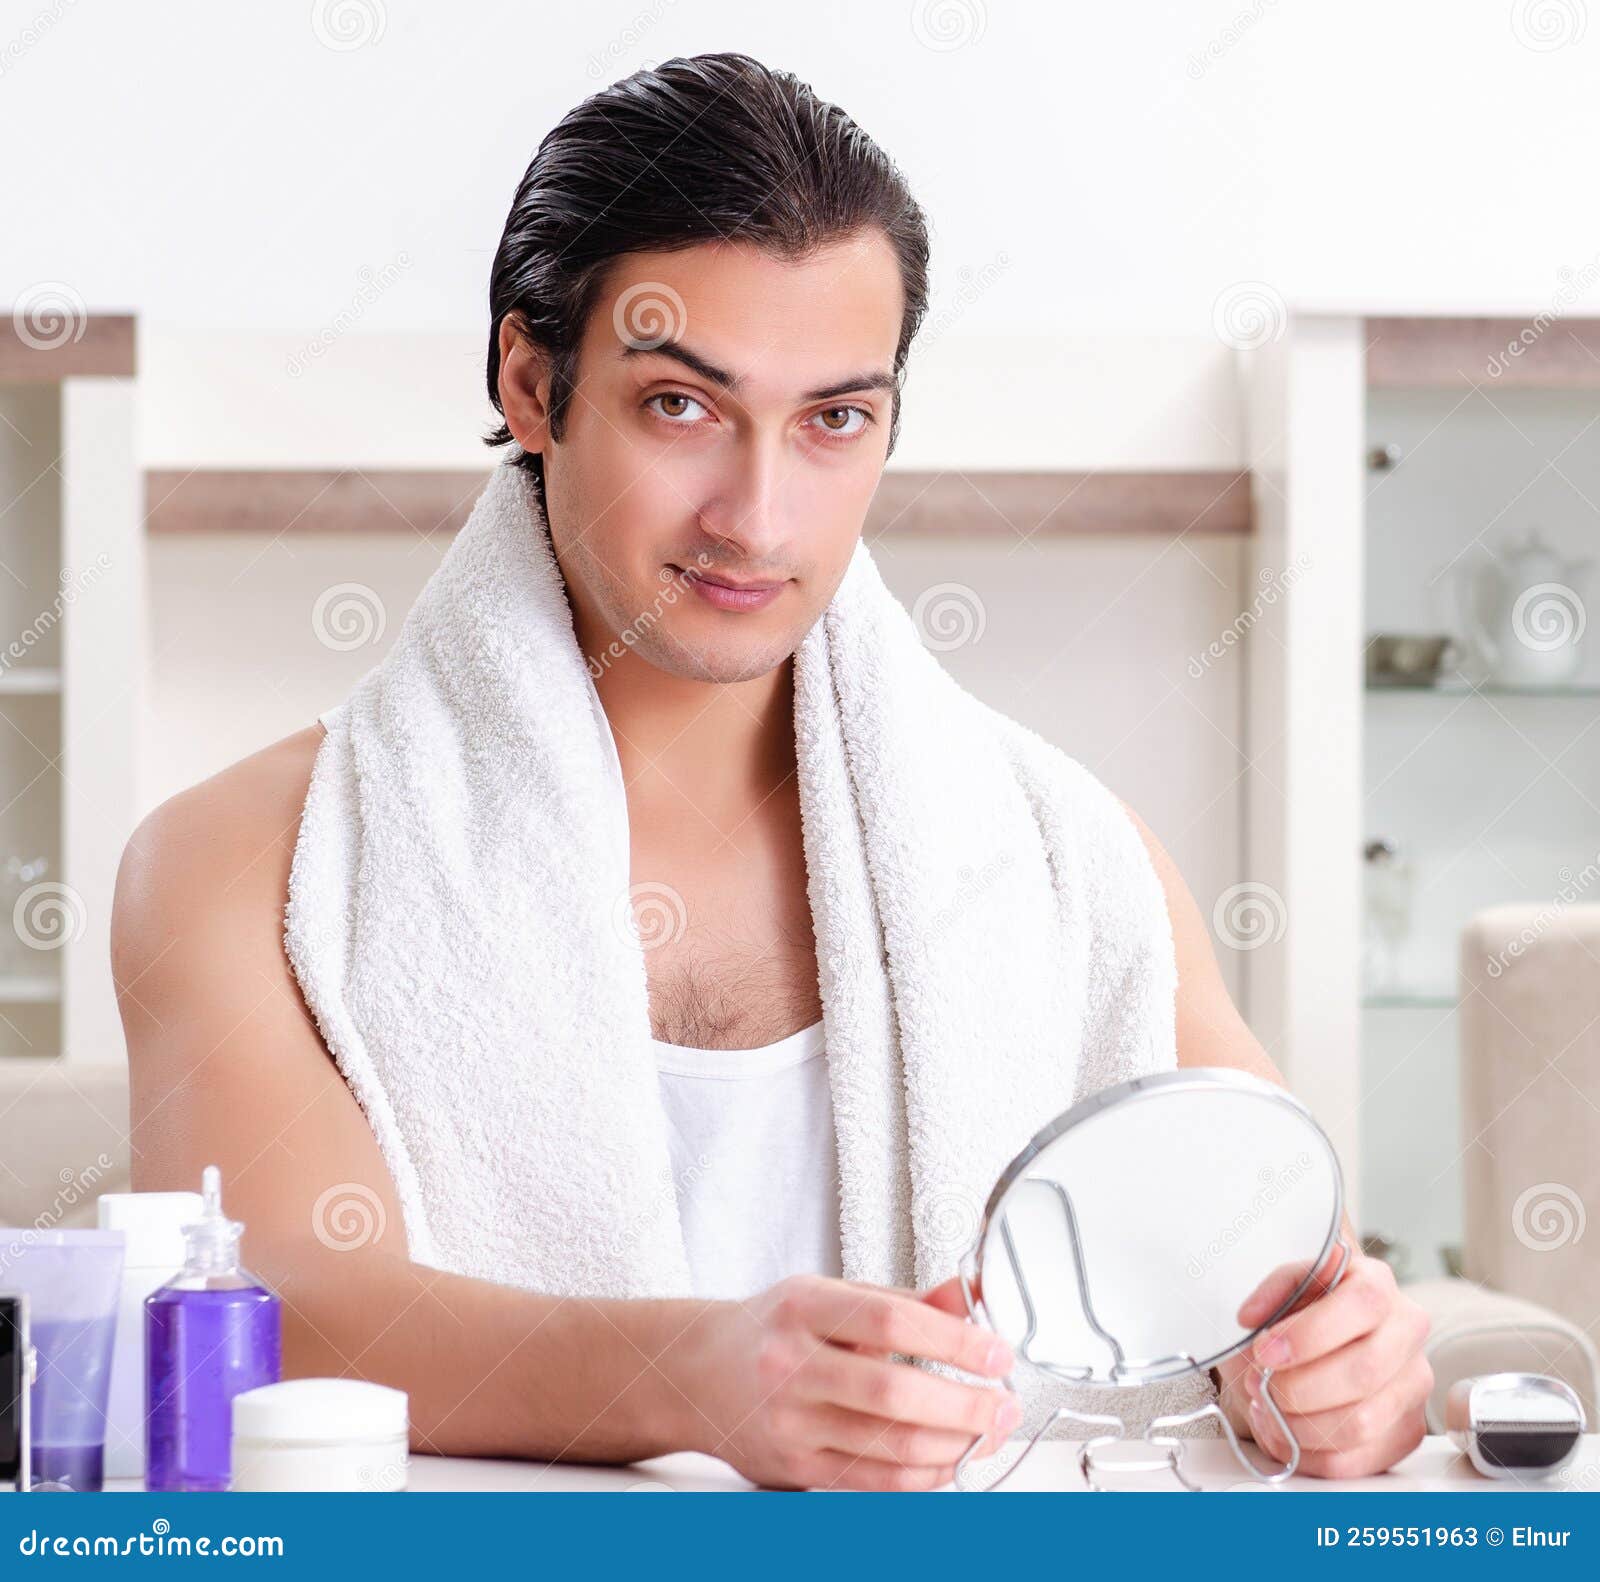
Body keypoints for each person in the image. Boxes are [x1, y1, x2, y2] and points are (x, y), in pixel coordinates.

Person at [112, 52, 1429, 1490]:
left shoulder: (1071, 864)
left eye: (833, 420)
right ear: (533, 383)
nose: (757, 514)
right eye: (682, 406)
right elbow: (274, 1310)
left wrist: (1332, 1379)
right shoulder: (252, 864)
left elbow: (1271, 1270)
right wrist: (695, 1381)